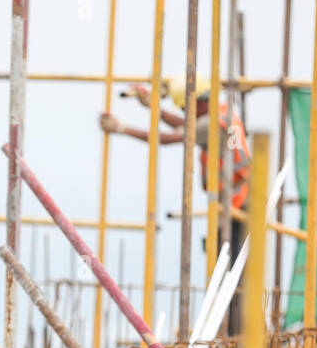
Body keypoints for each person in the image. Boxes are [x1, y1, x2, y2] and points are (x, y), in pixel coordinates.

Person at [100, 75, 251, 259]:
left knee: (228, 259)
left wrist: (122, 128)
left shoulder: (209, 125)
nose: (186, 113)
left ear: (199, 102)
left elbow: (165, 139)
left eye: (186, 108)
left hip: (235, 201)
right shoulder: (223, 113)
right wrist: (153, 107)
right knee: (231, 258)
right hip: (243, 196)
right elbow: (186, 125)